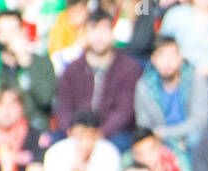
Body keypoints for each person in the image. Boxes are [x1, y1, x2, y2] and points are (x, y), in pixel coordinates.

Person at [54, 10, 142, 151]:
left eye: (104, 29)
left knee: (121, 143)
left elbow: (124, 111)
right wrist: (72, 131)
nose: (99, 36)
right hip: (77, 132)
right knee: (53, 143)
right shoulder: (72, 69)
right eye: (93, 29)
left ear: (112, 32)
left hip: (113, 133)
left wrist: (100, 133)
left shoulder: (128, 68)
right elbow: (64, 107)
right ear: (84, 33)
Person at [135, 36, 208, 161]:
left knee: (196, 139)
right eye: (161, 56)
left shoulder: (196, 80)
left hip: (189, 138)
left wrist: (166, 133)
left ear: (180, 58)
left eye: (172, 56)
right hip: (160, 142)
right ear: (153, 60)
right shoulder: (144, 86)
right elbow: (144, 124)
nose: (167, 62)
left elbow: (200, 121)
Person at [0, 10, 56, 132]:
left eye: (12, 31)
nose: (7, 37)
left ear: (23, 31)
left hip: (35, 130)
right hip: (0, 133)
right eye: (2, 32)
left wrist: (25, 62)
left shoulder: (41, 62)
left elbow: (45, 99)